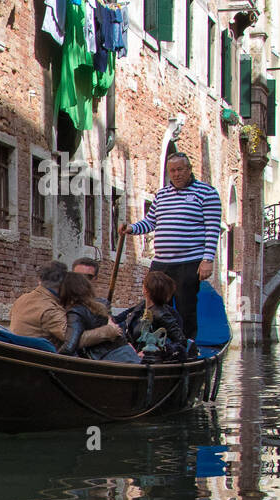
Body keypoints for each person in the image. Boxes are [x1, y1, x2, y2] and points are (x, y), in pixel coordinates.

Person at [118, 150, 221, 339]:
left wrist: (208, 260)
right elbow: (150, 222)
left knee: (185, 306)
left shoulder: (207, 193)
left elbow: (213, 228)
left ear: (189, 169)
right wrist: (131, 228)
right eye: (172, 170)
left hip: (189, 261)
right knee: (151, 304)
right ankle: (150, 342)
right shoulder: (162, 195)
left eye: (180, 169)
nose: (176, 174)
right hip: (161, 262)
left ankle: (186, 345)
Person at [11, 260, 122, 351]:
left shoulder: (23, 298)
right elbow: (73, 340)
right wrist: (109, 331)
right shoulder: (50, 309)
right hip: (44, 361)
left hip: (26, 354)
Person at [58, 272, 139, 361]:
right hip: (127, 355)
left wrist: (53, 359)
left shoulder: (76, 311)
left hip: (110, 361)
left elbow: (69, 347)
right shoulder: (100, 306)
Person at [115, 269, 191, 363]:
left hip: (150, 363)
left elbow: (181, 343)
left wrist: (153, 352)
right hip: (130, 356)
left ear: (145, 290)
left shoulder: (165, 315)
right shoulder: (139, 308)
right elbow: (118, 320)